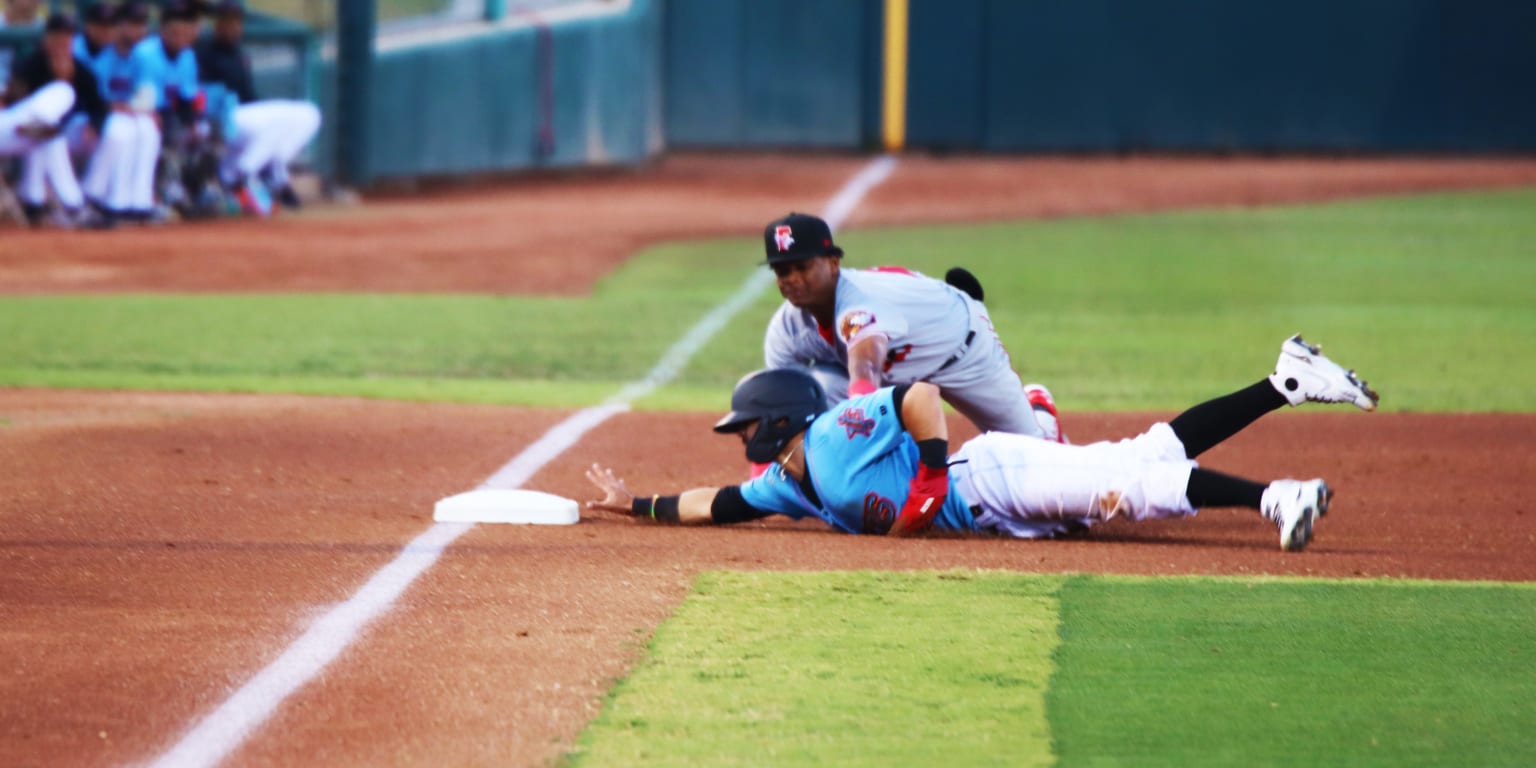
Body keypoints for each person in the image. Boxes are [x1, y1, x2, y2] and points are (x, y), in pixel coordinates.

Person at [586, 335, 1381, 552]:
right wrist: (637, 504)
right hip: (994, 505)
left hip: (990, 474)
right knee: (1152, 455)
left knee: (1129, 489)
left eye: (745, 426)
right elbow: (719, 504)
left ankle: (1278, 499)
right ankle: (1285, 380)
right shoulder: (785, 482)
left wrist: (932, 471)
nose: (742, 440)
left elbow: (919, 396)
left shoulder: (833, 431)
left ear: (778, 419)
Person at [760, 212, 1064, 443]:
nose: (792, 279)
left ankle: (1040, 411)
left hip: (964, 353)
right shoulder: (786, 330)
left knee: (1031, 450)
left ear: (833, 263)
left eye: (802, 267)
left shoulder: (858, 302)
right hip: (893, 373)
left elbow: (866, 367)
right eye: (783, 271)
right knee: (817, 388)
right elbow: (781, 399)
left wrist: (860, 420)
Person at [195, 0, 321, 214]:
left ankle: (268, 171)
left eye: (237, 22)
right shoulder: (204, 53)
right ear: (216, 25)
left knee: (309, 114)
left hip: (245, 122)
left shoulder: (238, 54)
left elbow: (250, 96)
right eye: (228, 21)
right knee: (274, 125)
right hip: (221, 119)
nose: (234, 27)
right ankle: (247, 176)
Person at [5, 12, 108, 227]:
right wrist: (61, 79)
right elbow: (11, 99)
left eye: (66, 38)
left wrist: (94, 125)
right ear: (46, 39)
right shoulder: (30, 65)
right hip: (10, 125)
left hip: (32, 133)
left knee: (50, 134)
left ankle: (37, 203)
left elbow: (99, 107)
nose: (61, 43)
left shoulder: (81, 71)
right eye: (57, 37)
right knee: (62, 92)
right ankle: (71, 206)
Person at [80, 0, 159, 224]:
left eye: (141, 24)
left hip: (128, 113)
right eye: (131, 23)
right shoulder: (104, 55)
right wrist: (124, 107)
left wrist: (139, 109)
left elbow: (145, 96)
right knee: (122, 129)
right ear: (119, 26)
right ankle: (114, 200)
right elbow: (98, 99)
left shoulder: (142, 56)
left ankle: (140, 201)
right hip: (95, 116)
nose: (136, 29)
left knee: (148, 128)